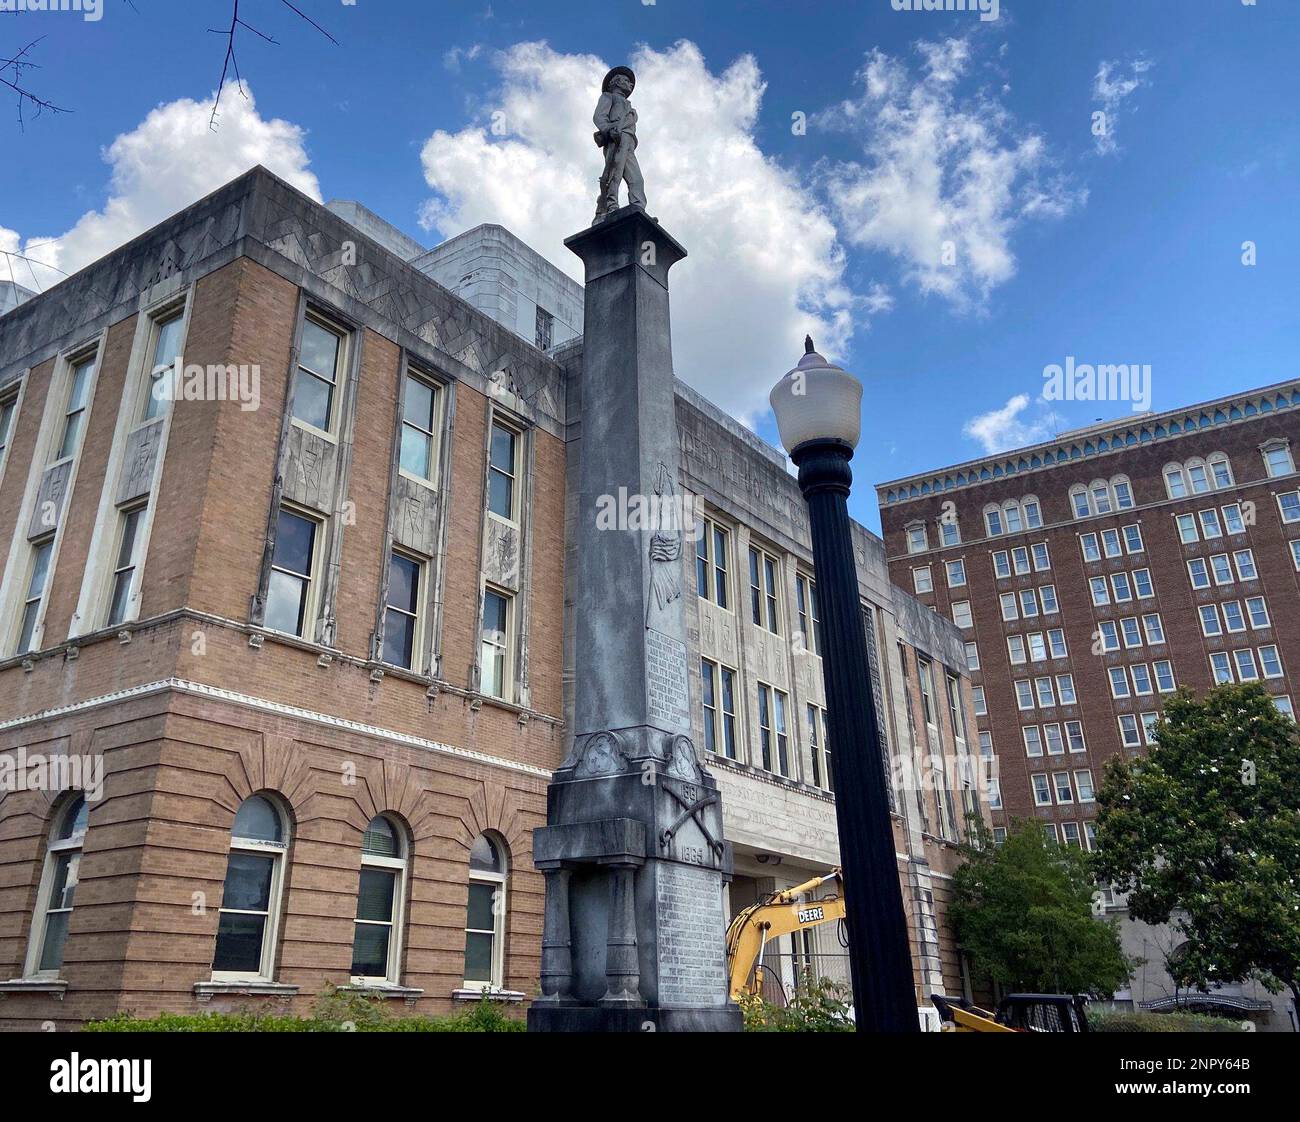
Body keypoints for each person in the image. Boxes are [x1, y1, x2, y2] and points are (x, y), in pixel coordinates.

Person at [592, 66, 646, 223]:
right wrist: (609, 129)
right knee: (614, 175)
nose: (630, 85)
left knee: (637, 179)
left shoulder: (630, 107)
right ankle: (611, 206)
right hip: (616, 137)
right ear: (615, 82)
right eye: (626, 81)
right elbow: (599, 117)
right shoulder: (608, 97)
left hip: (629, 140)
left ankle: (638, 208)